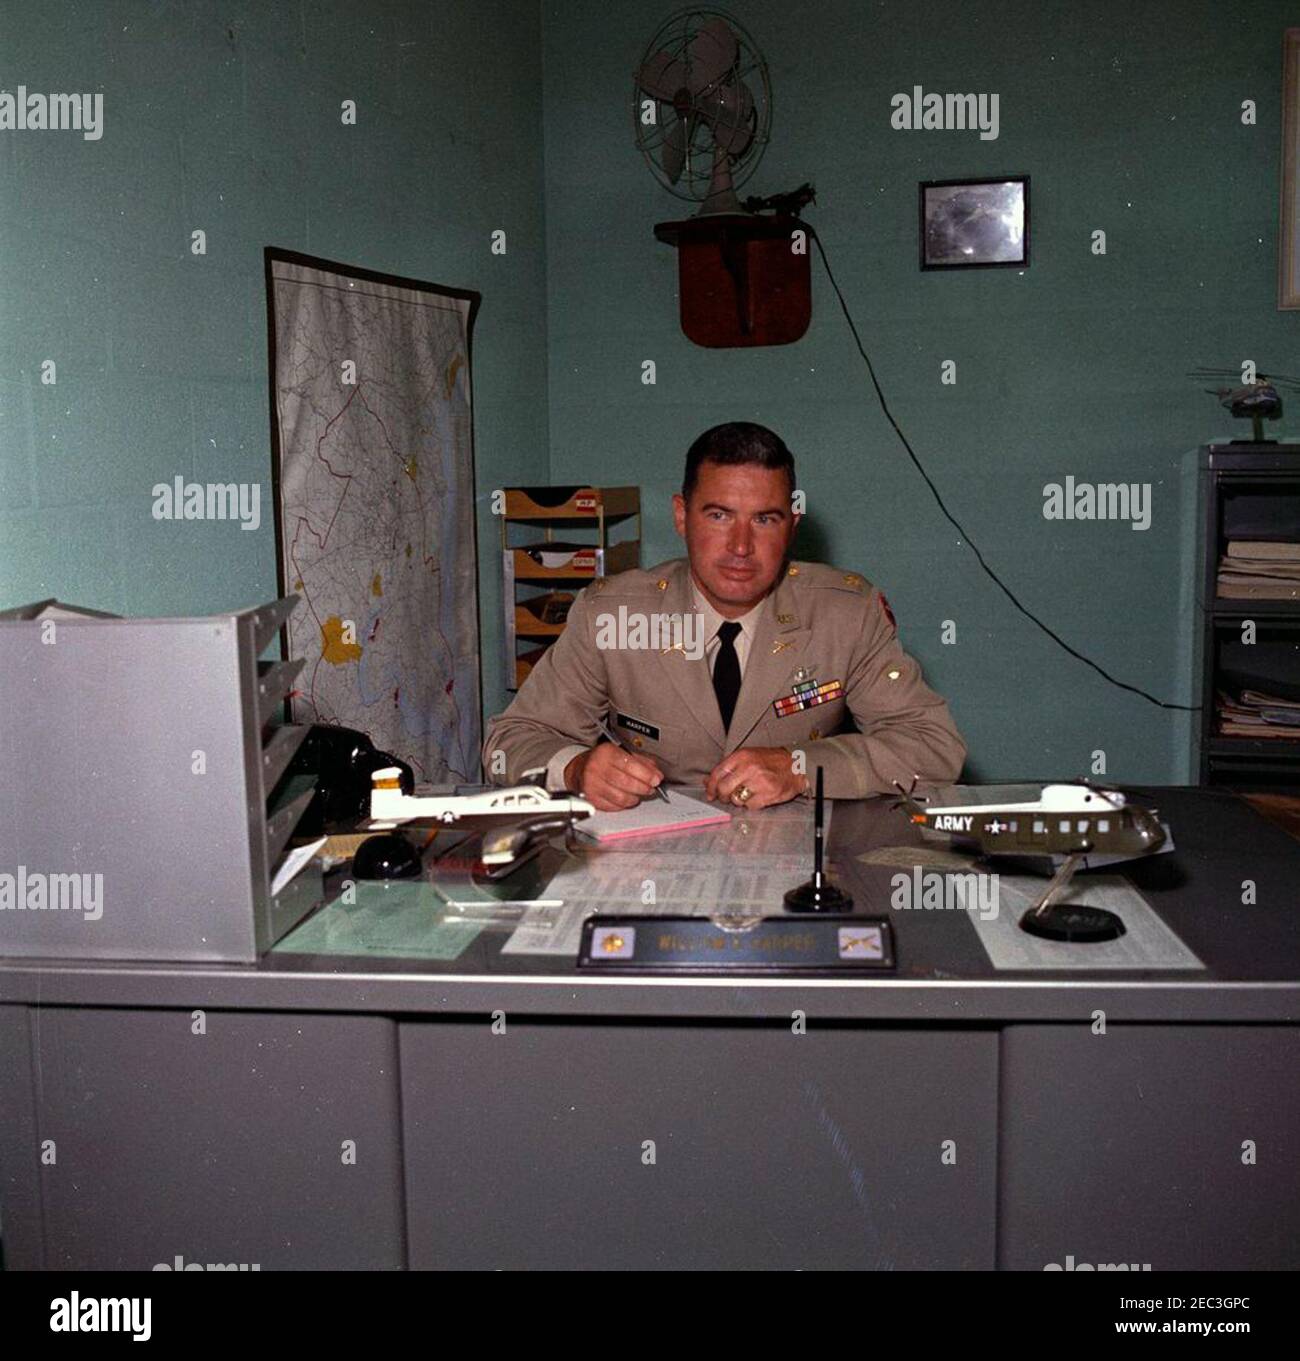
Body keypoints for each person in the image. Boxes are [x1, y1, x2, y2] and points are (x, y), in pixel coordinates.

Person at [483, 422, 966, 811]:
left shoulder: (846, 614)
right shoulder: (611, 615)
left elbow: (934, 748)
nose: (740, 547)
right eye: (718, 516)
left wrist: (799, 768)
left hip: (796, 857)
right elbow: (507, 742)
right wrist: (576, 767)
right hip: (648, 862)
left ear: (791, 526)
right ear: (680, 516)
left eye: (764, 519)